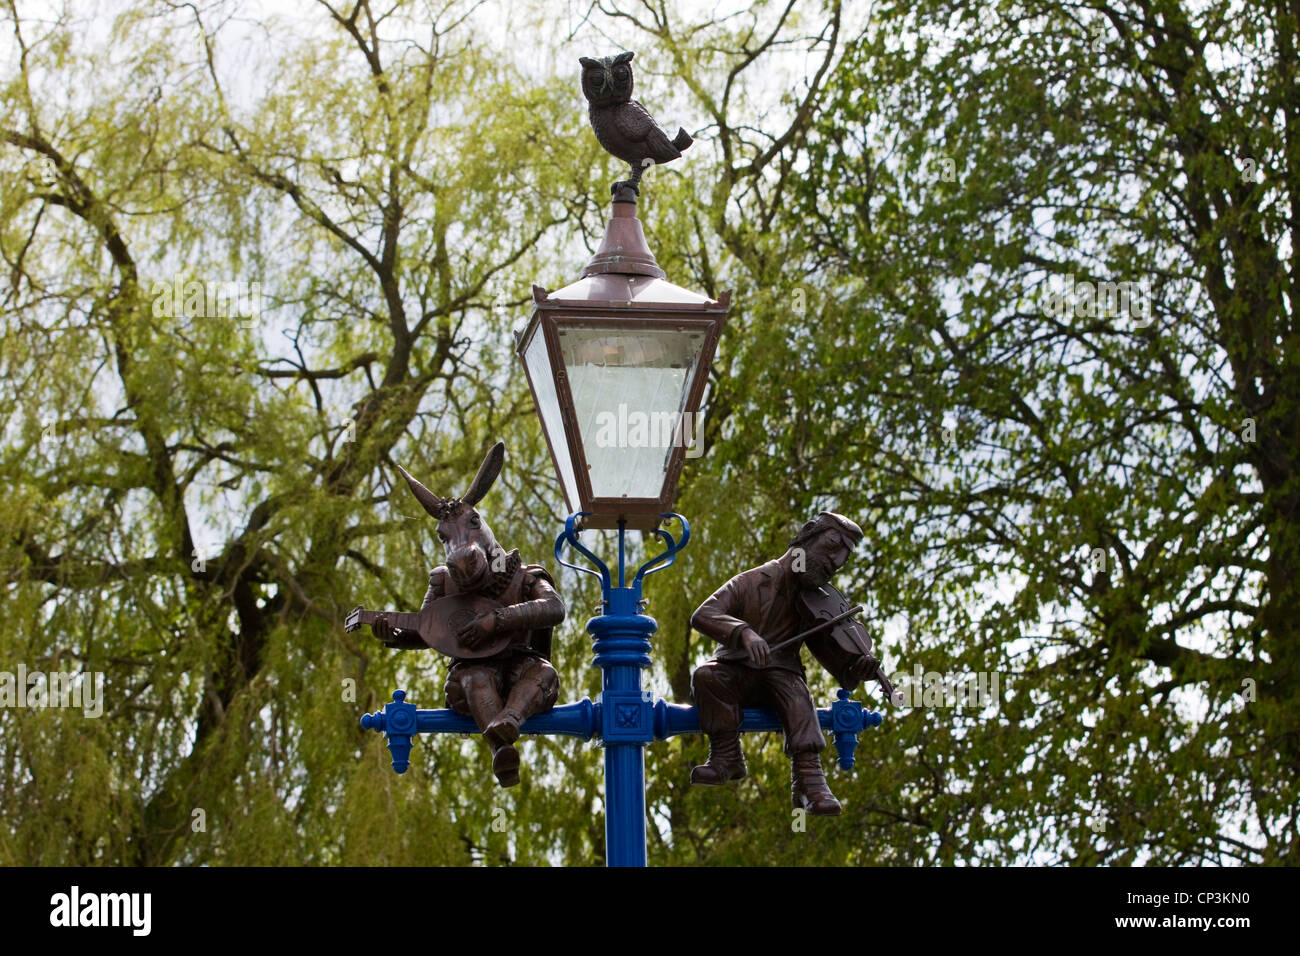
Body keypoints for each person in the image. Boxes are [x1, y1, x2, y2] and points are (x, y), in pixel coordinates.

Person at [690, 512, 881, 815]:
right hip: (736, 670)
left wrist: (856, 668)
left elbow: (832, 657)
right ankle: (726, 756)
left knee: (796, 693)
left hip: (782, 675)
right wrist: (744, 634)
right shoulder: (751, 581)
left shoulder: (814, 602)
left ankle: (809, 780)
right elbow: (704, 614)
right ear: (806, 537)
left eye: (840, 562)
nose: (832, 565)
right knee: (706, 677)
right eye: (830, 550)